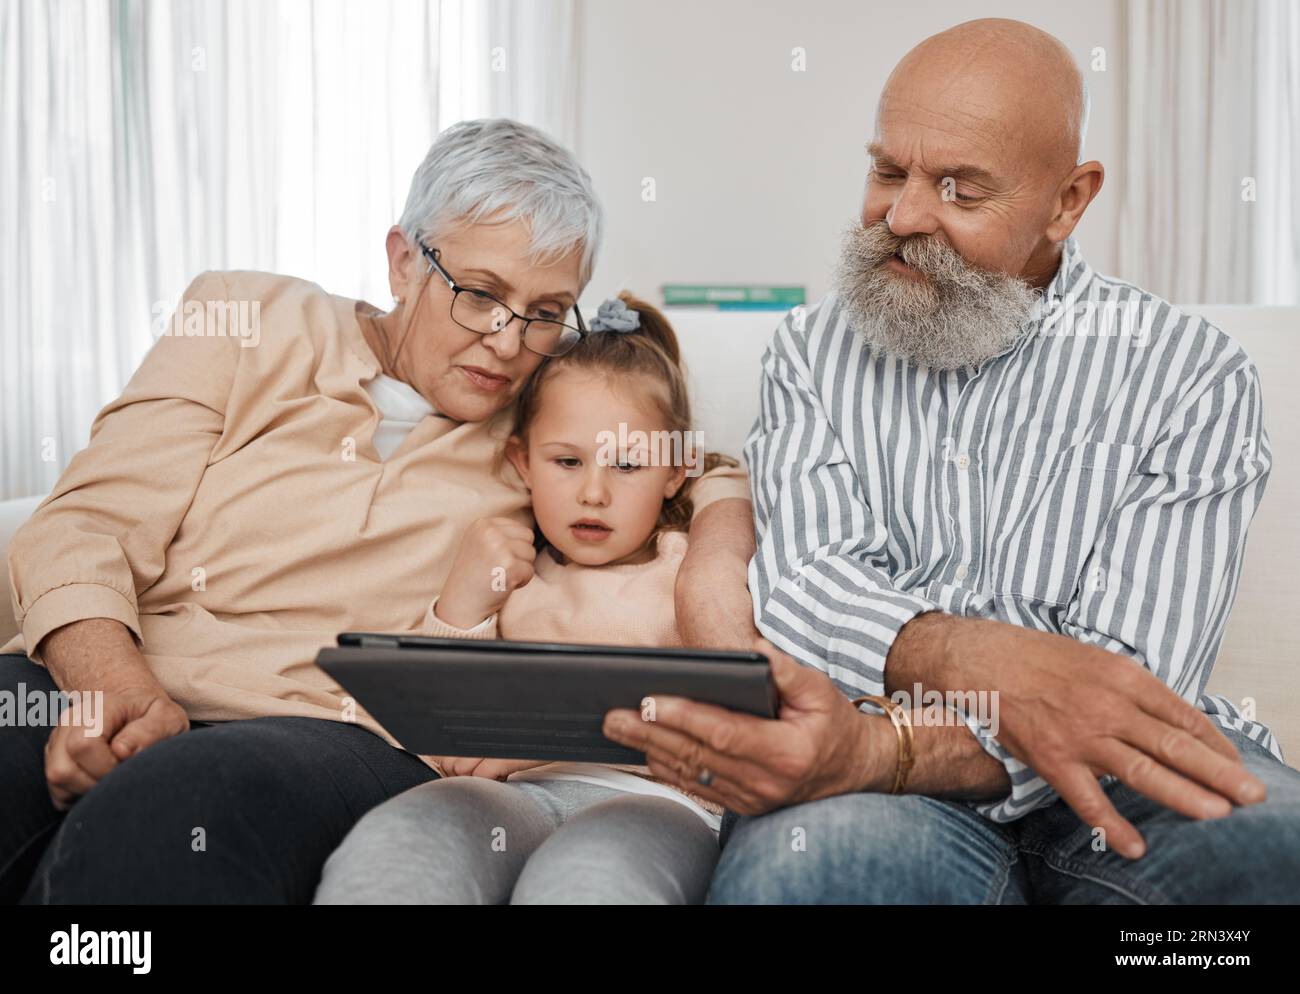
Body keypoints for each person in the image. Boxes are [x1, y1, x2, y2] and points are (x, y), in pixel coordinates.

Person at [601, 18, 1300, 903]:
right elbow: (805, 586)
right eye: (889, 170)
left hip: (1128, 772)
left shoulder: (1191, 373)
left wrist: (894, 733)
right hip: (878, 780)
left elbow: (1123, 688)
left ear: (1068, 200)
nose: (902, 218)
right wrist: (978, 660)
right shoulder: (812, 352)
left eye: (961, 190)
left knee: (1273, 853)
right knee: (808, 872)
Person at [0, 119, 755, 904]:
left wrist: (714, 557)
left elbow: (682, 461)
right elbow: (83, 519)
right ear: (403, 262)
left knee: (172, 817)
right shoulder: (243, 318)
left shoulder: (544, 417)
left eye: (544, 312)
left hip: (322, 733)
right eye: (481, 295)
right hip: (97, 667)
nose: (507, 342)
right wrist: (109, 681)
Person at [316, 293, 738, 904]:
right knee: (403, 840)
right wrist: (461, 601)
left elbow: (731, 718)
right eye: (567, 461)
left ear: (675, 472)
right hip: (515, 797)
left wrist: (534, 735)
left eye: (627, 466)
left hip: (658, 803)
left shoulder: (689, 569)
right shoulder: (514, 574)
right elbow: (440, 740)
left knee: (589, 879)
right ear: (523, 462)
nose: (593, 493)